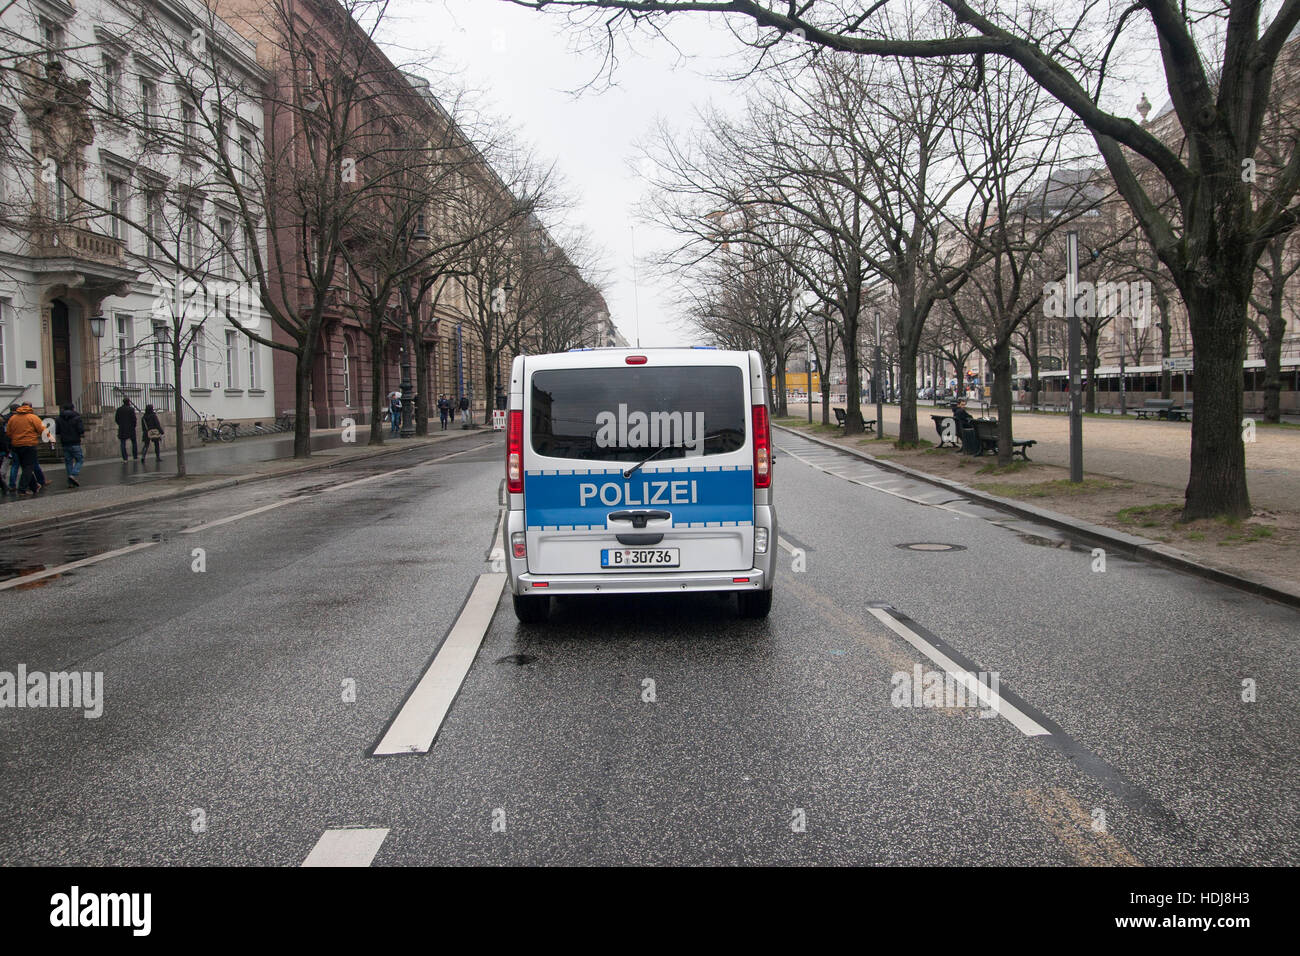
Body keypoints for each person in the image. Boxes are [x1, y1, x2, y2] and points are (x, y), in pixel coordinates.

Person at [5, 401, 45, 497]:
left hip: (16, 446)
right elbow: (42, 430)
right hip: (29, 445)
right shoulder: (33, 417)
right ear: (30, 408)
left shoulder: (13, 418)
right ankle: (22, 489)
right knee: (29, 467)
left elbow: (9, 433)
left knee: (25, 466)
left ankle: (34, 487)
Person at [55, 402, 85, 488]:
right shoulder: (77, 418)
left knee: (68, 462)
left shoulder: (59, 419)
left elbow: (57, 431)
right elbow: (81, 430)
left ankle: (70, 482)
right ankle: (73, 474)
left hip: (65, 442)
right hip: (75, 442)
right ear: (73, 409)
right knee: (80, 460)